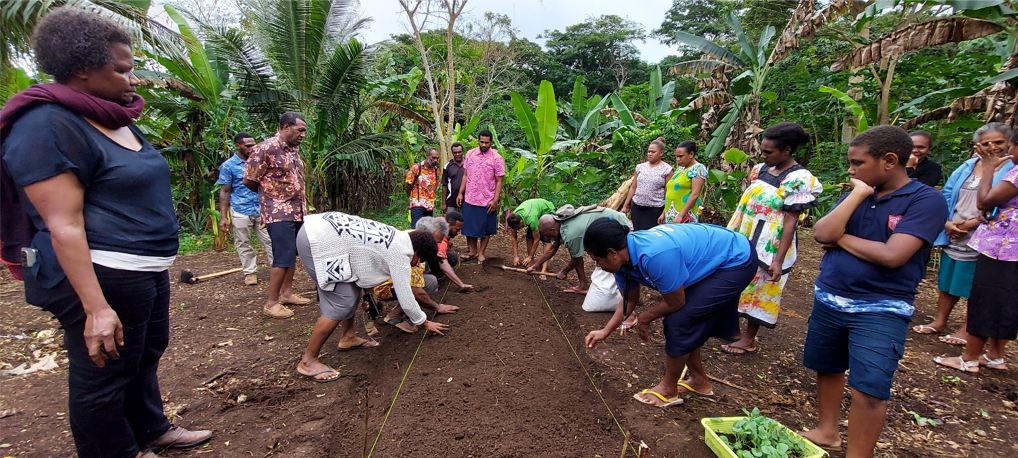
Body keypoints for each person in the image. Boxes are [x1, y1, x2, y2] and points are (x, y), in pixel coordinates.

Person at [0, 9, 212, 458]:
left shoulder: (111, 116)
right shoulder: (45, 126)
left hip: (143, 268)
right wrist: (96, 307)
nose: (133, 78)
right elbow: (64, 223)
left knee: (145, 351)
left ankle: (151, 430)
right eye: (122, 69)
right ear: (81, 70)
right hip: (101, 272)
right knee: (104, 371)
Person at [802, 125, 947, 454]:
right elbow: (821, 232)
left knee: (870, 386)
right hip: (830, 297)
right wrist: (855, 194)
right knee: (827, 366)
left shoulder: (927, 200)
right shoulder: (859, 193)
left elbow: (893, 256)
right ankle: (827, 431)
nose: (851, 171)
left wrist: (840, 239)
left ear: (889, 160)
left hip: (881, 307)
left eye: (857, 163)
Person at [583, 219, 757, 407]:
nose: (597, 266)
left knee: (679, 321)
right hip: (710, 255)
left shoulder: (655, 255)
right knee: (685, 320)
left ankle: (669, 388)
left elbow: (676, 301)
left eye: (597, 260)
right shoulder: (622, 264)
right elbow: (629, 301)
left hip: (735, 259)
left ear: (612, 253)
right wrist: (605, 331)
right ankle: (699, 381)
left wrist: (646, 317)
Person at [295, 212, 450, 382]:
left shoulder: (402, 236)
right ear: (417, 254)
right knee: (342, 302)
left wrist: (368, 295)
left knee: (352, 291)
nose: (416, 264)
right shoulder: (400, 253)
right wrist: (425, 322)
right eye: (418, 261)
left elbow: (363, 264)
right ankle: (308, 361)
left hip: (324, 230)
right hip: (318, 239)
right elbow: (406, 296)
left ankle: (347, 337)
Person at [723, 122, 822, 355]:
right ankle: (734, 330)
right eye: (763, 151)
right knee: (736, 281)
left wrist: (777, 259)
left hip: (770, 242)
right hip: (745, 235)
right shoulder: (760, 170)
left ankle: (749, 339)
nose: (764, 155)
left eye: (769, 152)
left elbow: (790, 222)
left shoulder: (798, 179)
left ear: (786, 150)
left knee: (762, 288)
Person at [913, 123, 1015, 342]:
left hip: (985, 232)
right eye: (986, 142)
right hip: (955, 228)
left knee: (973, 281)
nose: (992, 147)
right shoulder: (968, 165)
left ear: (1008, 143)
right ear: (977, 145)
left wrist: (974, 222)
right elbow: (948, 193)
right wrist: (947, 222)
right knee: (948, 276)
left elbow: (1000, 202)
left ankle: (967, 328)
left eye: (999, 142)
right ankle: (940, 321)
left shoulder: (1010, 169)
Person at [932, 128, 1018, 374]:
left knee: (986, 298)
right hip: (1009, 247)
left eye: (1008, 145)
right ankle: (995, 355)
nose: (1003, 150)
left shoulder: (1014, 172)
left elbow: (984, 202)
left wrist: (989, 168)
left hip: (1001, 246)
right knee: (1006, 298)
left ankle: (969, 358)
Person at [244, 111, 312, 319]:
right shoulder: (265, 148)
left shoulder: (294, 150)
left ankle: (287, 293)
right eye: (299, 130)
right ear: (285, 127)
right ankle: (271, 303)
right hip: (278, 211)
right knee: (282, 257)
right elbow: (249, 179)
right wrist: (272, 198)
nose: (303, 135)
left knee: (291, 253)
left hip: (297, 210)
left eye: (305, 132)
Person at [528, 206, 630, 294]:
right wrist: (534, 266)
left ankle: (630, 293)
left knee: (622, 262)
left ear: (553, 230)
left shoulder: (571, 234)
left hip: (620, 225)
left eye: (547, 235)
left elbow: (576, 259)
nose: (548, 238)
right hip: (606, 228)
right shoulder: (560, 224)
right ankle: (583, 285)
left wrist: (564, 271)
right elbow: (551, 250)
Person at [218, 132, 273, 286]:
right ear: (238, 146)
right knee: (243, 242)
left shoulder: (260, 162)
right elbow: (225, 191)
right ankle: (250, 273)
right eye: (248, 145)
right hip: (241, 209)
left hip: (262, 209)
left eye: (253, 144)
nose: (252, 148)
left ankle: (277, 270)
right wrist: (223, 216)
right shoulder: (229, 166)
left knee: (270, 240)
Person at [457, 130, 505, 262]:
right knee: (469, 227)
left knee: (486, 229)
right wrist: (461, 193)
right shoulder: (470, 154)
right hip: (470, 198)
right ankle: (472, 250)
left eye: (487, 142)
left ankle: (481, 252)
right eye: (481, 142)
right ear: (478, 141)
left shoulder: (497, 158)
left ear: (491, 142)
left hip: (487, 200)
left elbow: (499, 181)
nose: (484, 144)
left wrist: (495, 200)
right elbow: (465, 175)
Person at [622, 137, 673, 230]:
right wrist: (625, 206)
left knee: (651, 235)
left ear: (661, 153)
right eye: (649, 151)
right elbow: (633, 187)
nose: (650, 154)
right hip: (637, 207)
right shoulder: (640, 167)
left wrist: (664, 212)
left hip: (655, 210)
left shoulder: (667, 170)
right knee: (637, 233)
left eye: (653, 152)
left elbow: (668, 193)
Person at [416, 216, 472, 290]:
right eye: (457, 229)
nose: (459, 233)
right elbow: (444, 264)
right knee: (432, 281)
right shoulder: (412, 248)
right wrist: (461, 284)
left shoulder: (440, 224)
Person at [660, 140, 708, 224]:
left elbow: (695, 194)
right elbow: (672, 193)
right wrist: (663, 213)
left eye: (681, 156)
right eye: (676, 156)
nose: (678, 159)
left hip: (684, 216)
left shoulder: (698, 169)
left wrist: (680, 215)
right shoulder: (680, 169)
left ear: (691, 154)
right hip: (670, 214)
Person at [507, 198, 556, 272]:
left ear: (520, 222)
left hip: (546, 210)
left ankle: (544, 270)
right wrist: (516, 256)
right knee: (529, 238)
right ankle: (532, 264)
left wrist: (530, 256)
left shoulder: (531, 219)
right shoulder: (513, 218)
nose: (516, 230)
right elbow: (514, 237)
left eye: (517, 228)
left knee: (546, 241)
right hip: (534, 211)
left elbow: (537, 239)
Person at [405, 147, 440, 228]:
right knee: (417, 228)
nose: (435, 160)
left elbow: (435, 185)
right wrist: (413, 197)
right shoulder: (417, 168)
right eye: (433, 158)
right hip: (417, 204)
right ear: (427, 156)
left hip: (429, 205)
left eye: (437, 158)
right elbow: (408, 184)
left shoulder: (436, 171)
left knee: (428, 228)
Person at [441, 142, 466, 214]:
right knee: (451, 224)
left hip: (467, 202)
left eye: (459, 152)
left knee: (466, 224)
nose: (457, 154)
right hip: (451, 202)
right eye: (455, 153)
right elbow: (444, 185)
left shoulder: (469, 164)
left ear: (462, 152)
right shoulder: (448, 166)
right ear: (452, 153)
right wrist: (444, 203)